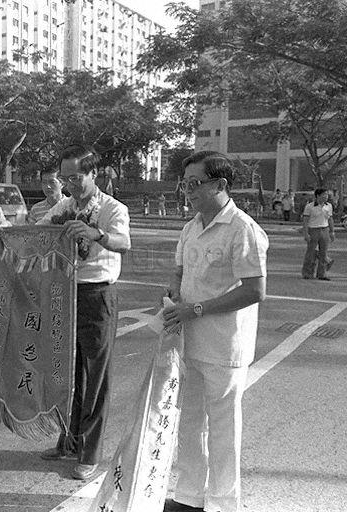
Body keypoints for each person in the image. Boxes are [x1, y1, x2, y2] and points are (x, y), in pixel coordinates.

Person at [162, 150, 268, 512]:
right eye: (185, 183)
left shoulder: (242, 229)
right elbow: (178, 271)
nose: (187, 190)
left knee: (223, 428)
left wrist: (196, 308)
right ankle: (188, 496)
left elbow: (254, 289)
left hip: (225, 346)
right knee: (189, 423)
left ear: (220, 184)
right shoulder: (192, 226)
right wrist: (175, 292)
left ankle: (224, 502)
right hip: (189, 342)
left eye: (195, 183)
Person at [37, 145, 131, 481]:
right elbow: (41, 231)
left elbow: (123, 243)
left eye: (77, 177)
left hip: (96, 295)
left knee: (95, 375)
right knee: (66, 371)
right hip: (66, 293)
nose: (71, 184)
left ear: (94, 174)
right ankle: (68, 440)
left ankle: (90, 452)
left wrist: (96, 234)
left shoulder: (112, 208)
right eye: (66, 178)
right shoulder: (64, 206)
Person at [301, 188, 335, 281]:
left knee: (323, 253)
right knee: (311, 252)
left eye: (327, 195)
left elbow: (330, 219)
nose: (326, 197)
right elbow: (305, 221)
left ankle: (322, 274)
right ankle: (307, 273)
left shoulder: (329, 206)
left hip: (325, 229)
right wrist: (306, 233)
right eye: (324, 195)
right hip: (313, 230)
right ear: (317, 196)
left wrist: (332, 231)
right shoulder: (310, 206)